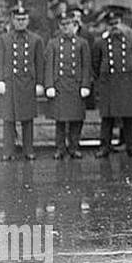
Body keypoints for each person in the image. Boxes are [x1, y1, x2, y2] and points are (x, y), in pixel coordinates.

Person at [92, 5, 132, 157]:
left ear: (122, 23)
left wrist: (130, 78)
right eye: (111, 24)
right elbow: (95, 64)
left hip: (127, 83)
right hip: (108, 83)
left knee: (129, 117)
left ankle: (131, 145)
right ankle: (105, 146)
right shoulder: (100, 43)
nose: (114, 27)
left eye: (116, 23)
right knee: (107, 118)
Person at [0, 0, 45, 161]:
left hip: (27, 84)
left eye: (23, 19)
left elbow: (39, 63)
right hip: (9, 84)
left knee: (27, 118)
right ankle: (8, 151)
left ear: (28, 20)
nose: (20, 22)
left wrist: (39, 83)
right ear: (12, 20)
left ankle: (28, 150)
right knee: (8, 119)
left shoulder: (36, 40)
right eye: (17, 19)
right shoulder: (3, 39)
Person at [44, 9, 93, 159]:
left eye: (68, 24)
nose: (65, 27)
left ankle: (74, 147)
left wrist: (85, 85)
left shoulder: (82, 43)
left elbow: (86, 66)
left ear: (75, 25)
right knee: (60, 120)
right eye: (62, 24)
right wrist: (49, 85)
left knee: (76, 119)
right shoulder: (53, 43)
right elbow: (49, 66)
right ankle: (60, 148)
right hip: (60, 87)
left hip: (75, 87)